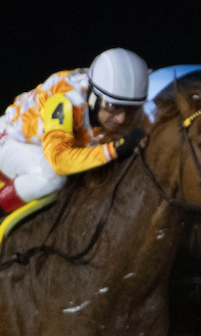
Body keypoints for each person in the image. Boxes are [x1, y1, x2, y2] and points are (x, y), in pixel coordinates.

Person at [0, 48, 148, 214]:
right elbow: (59, 161)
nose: (121, 118)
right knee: (52, 177)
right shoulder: (65, 102)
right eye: (113, 107)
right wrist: (114, 149)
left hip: (47, 144)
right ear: (94, 98)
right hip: (10, 139)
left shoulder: (112, 93)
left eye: (130, 110)